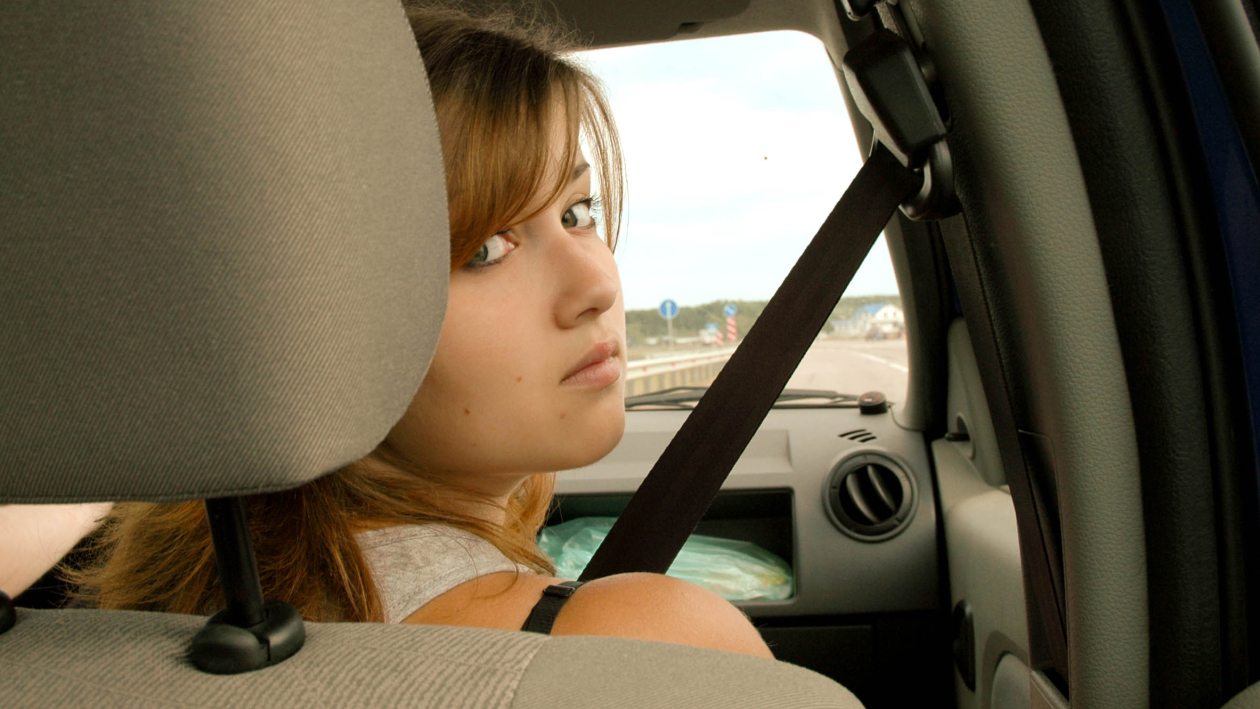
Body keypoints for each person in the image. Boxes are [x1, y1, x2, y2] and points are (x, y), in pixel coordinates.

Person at [68, 4, 773, 660]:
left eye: (577, 212)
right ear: (309, 317)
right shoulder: (650, 643)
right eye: (485, 249)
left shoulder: (145, 622)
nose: (597, 286)